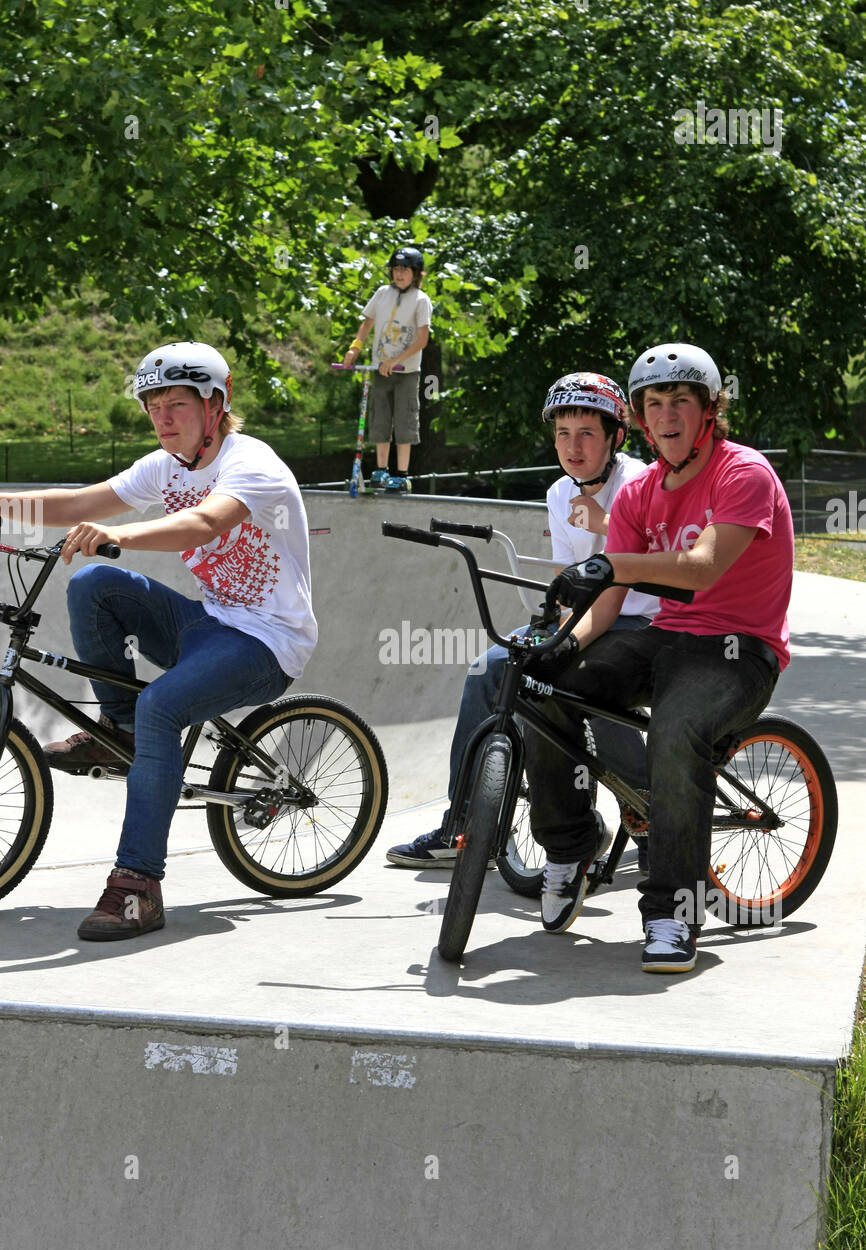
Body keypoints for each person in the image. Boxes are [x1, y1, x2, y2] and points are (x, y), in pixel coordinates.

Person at [2, 341, 316, 941]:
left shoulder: (252, 464)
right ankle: (116, 729)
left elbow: (204, 523)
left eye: (177, 404)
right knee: (93, 583)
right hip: (206, 624)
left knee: (162, 706)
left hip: (266, 642)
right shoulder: (165, 466)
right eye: (153, 406)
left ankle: (138, 886)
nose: (163, 417)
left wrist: (116, 534)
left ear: (216, 405)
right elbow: (75, 502)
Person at [522, 343, 794, 973]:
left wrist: (614, 560)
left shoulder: (741, 473)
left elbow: (700, 570)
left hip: (738, 649)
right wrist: (556, 649)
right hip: (666, 639)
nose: (667, 414)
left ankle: (673, 910)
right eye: (654, 403)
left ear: (707, 411)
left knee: (675, 730)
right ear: (642, 419)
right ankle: (569, 847)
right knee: (545, 689)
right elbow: (610, 604)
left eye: (680, 401)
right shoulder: (642, 489)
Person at [386, 370, 657, 870]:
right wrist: (550, 627)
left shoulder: (639, 483)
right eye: (562, 434)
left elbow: (636, 559)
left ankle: (648, 803)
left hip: (640, 621)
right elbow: (566, 576)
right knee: (489, 668)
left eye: (586, 434)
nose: (572, 447)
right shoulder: (559, 493)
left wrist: (599, 521)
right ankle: (463, 823)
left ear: (615, 436)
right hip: (581, 618)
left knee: (582, 683)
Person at [342, 247, 432, 492]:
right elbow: (366, 323)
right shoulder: (382, 293)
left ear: (416, 273)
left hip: (406, 372)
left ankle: (401, 474)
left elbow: (422, 339)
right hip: (379, 370)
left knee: (405, 421)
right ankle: (381, 471)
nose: (399, 274)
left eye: (405, 269)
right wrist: (354, 350)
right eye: (396, 269)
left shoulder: (421, 299)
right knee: (380, 419)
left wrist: (396, 360)